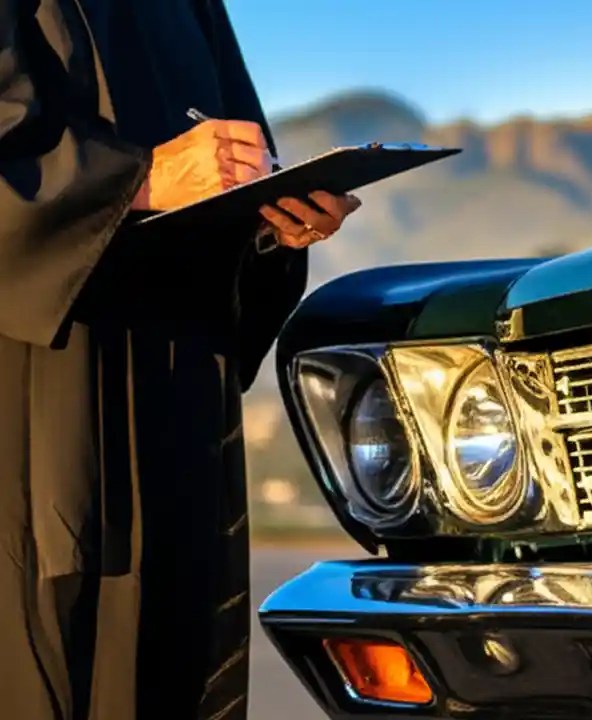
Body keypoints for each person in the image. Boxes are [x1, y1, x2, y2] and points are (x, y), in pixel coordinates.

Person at [0, 1, 362, 718]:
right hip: (45, 406)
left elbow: (224, 169)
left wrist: (273, 215)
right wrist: (138, 180)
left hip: (182, 415)